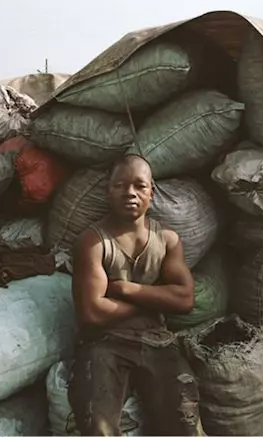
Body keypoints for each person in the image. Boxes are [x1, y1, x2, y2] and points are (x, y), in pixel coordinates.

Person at [69, 154, 203, 436]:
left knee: (184, 420)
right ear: (108, 191)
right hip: (106, 343)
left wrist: (127, 289)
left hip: (158, 341)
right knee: (98, 426)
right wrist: (151, 303)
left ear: (151, 193)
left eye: (139, 186)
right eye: (120, 185)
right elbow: (92, 313)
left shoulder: (167, 240)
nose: (130, 192)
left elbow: (185, 300)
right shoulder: (93, 242)